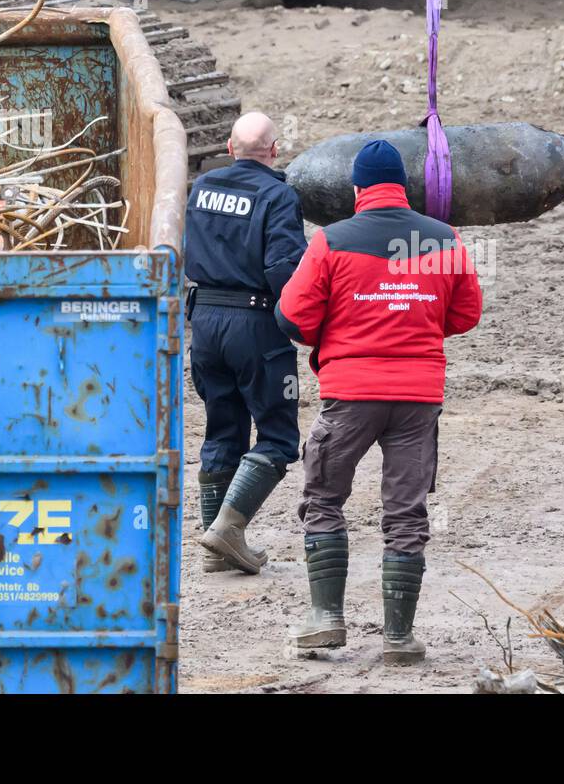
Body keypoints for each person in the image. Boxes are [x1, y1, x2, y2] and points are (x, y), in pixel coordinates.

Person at [275, 140, 483, 665]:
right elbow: (467, 314)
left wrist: (340, 328)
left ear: (356, 189)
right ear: (404, 187)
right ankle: (398, 636)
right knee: (406, 512)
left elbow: (296, 318)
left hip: (350, 393)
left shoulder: (330, 240)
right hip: (418, 396)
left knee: (323, 498)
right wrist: (417, 323)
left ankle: (326, 619)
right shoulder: (445, 238)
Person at [190, 111, 307, 575]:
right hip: (254, 323)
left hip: (203, 323)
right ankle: (228, 529)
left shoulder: (202, 188)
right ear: (274, 151)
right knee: (278, 435)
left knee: (222, 429)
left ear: (229, 145)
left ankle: (212, 545)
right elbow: (284, 269)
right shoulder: (278, 195)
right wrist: (298, 321)